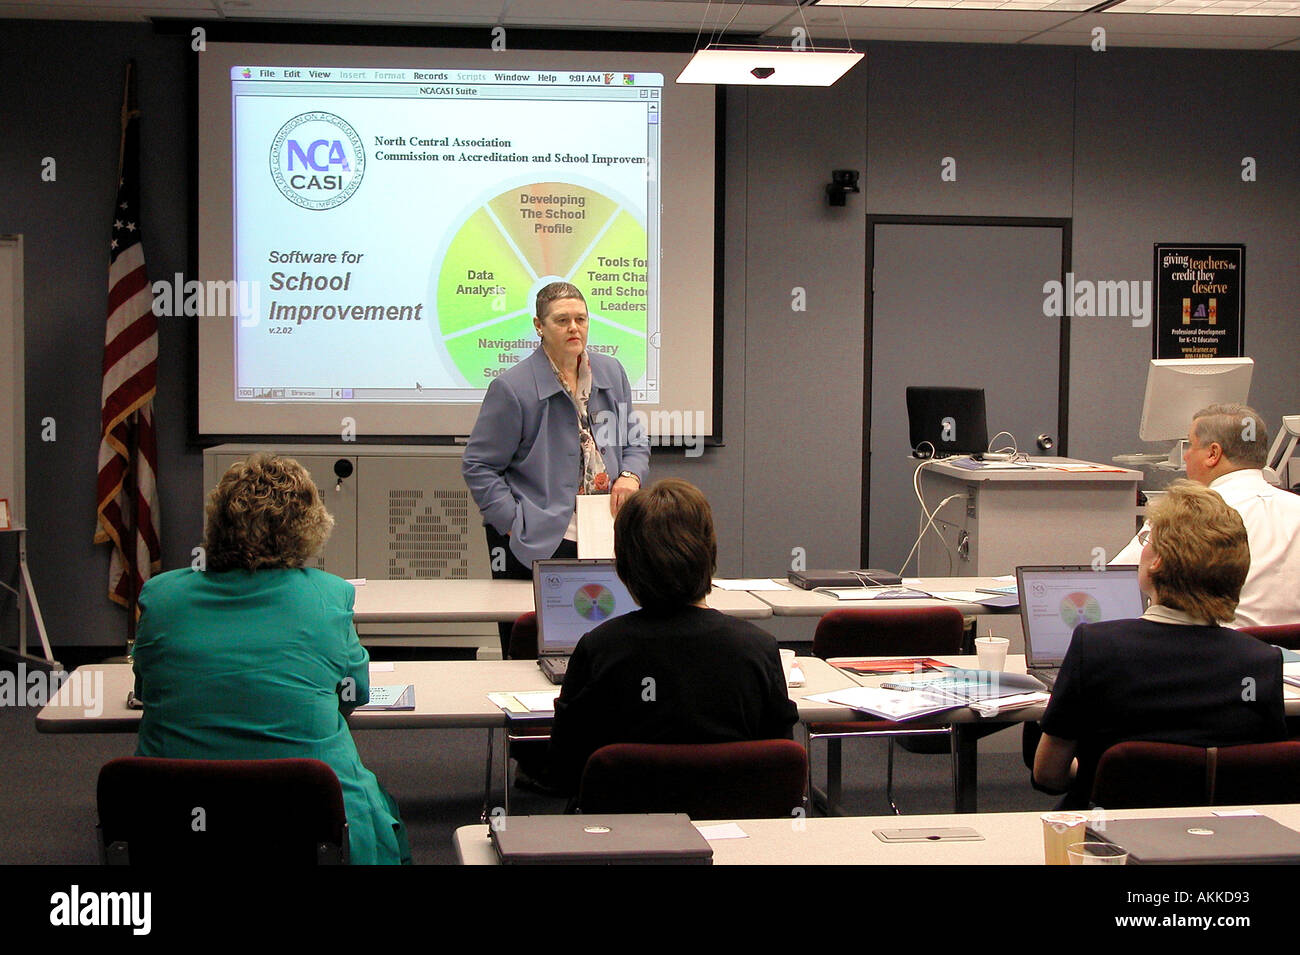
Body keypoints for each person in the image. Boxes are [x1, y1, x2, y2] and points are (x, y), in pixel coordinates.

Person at [132, 454, 410, 865]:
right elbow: (356, 693)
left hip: (171, 823)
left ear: (217, 523)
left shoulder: (160, 596)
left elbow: (146, 689)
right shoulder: (331, 596)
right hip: (309, 818)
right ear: (309, 527)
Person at [1034, 481, 1287, 808]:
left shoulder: (1096, 646)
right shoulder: (1262, 661)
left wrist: (1098, 772)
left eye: (1147, 539)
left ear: (1157, 562)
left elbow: (1048, 776)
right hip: (1222, 839)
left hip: (1110, 839)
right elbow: (1264, 773)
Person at [546, 479, 799, 796]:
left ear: (624, 564)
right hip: (735, 831)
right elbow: (780, 765)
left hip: (621, 833)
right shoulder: (757, 648)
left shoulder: (599, 648)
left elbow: (563, 770)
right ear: (709, 553)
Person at [462, 281, 649, 655]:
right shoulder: (512, 388)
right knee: (537, 649)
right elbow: (479, 465)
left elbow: (636, 441)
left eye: (580, 319)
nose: (574, 328)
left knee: (604, 641)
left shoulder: (612, 373)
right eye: (562, 320)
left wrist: (630, 475)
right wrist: (514, 522)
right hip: (539, 534)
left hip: (605, 529)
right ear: (539, 326)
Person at [1111, 403, 1300, 628]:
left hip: (1210, 655)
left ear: (1213, 453)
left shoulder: (1184, 513)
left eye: (1190, 446)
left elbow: (1115, 584)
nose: (1186, 456)